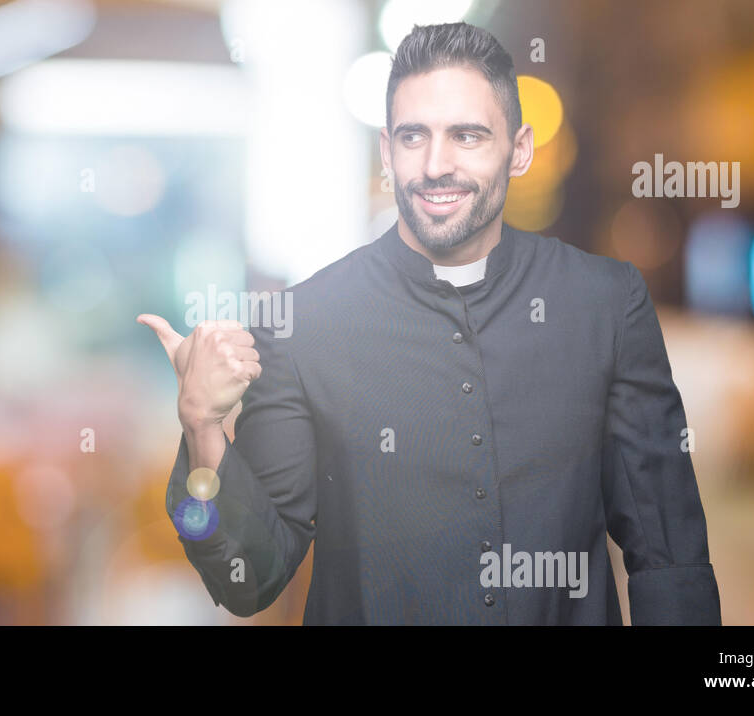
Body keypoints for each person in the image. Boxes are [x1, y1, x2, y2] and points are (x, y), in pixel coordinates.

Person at [138, 21, 720, 625]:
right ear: (388, 151)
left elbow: (670, 559)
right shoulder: (301, 324)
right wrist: (203, 426)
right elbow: (248, 581)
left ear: (519, 149)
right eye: (414, 137)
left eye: (467, 135)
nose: (436, 165)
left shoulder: (604, 304)